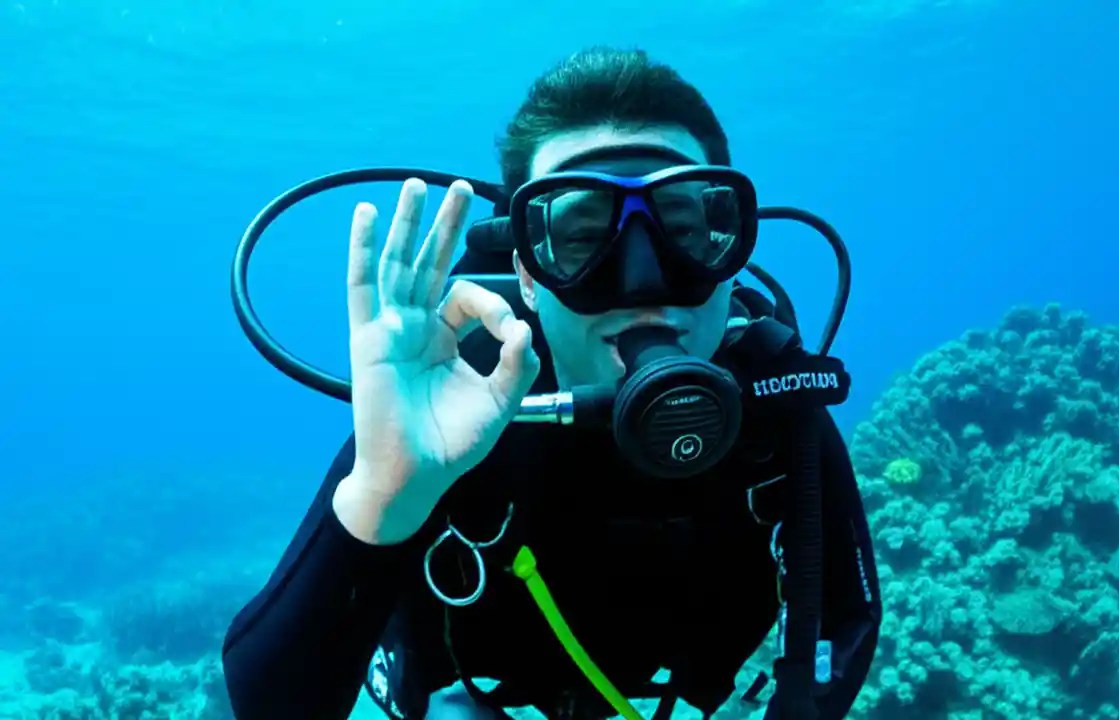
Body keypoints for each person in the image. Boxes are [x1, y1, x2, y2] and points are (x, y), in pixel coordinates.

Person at [221, 46, 881, 720]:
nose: (643, 284)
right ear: (528, 277)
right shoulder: (454, 394)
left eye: (681, 229)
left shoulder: (776, 407)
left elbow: (845, 624)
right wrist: (382, 496)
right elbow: (271, 704)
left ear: (729, 250)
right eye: (581, 238)